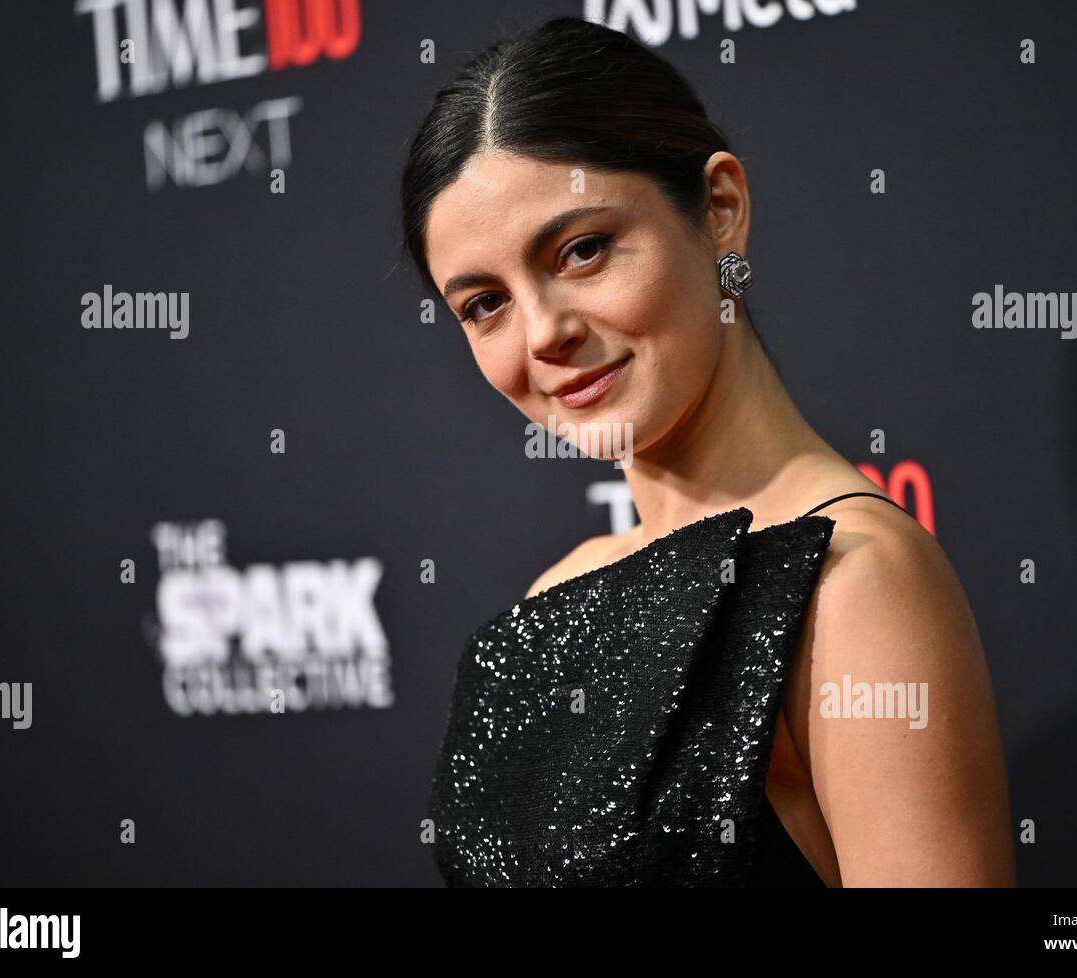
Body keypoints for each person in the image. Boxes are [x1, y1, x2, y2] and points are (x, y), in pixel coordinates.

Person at [403, 16, 1015, 887]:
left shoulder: (849, 584)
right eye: (484, 304)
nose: (544, 333)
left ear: (720, 211)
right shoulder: (560, 592)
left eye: (582, 250)